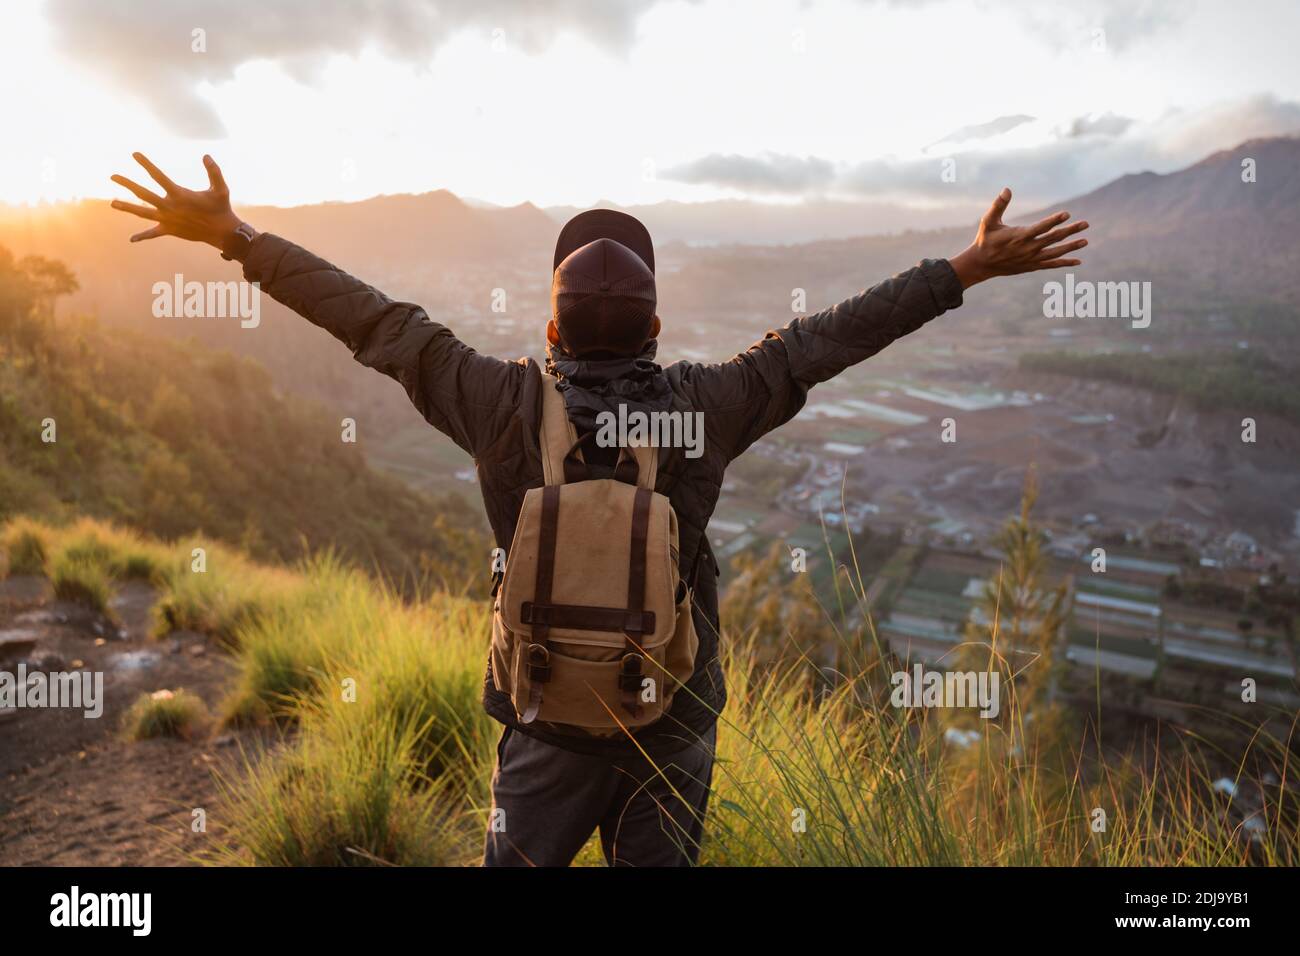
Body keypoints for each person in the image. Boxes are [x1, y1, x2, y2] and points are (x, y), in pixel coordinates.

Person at [111, 152, 1089, 866]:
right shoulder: (707, 404)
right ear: (657, 330)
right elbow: (820, 343)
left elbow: (373, 322)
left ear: (548, 327)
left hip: (541, 716)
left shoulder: (496, 401)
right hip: (669, 718)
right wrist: (961, 268)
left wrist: (239, 238)